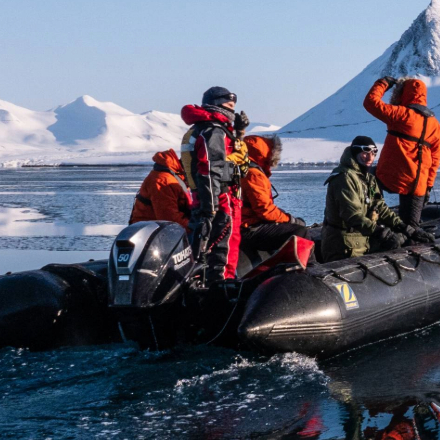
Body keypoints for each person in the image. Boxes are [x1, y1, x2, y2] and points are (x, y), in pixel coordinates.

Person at [320, 135, 431, 262]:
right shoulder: (344, 178)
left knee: (400, 239)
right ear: (355, 153)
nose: (370, 157)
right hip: (343, 245)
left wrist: (408, 229)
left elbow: (381, 208)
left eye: (373, 153)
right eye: (365, 153)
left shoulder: (368, 179)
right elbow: (352, 215)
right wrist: (383, 233)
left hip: (362, 240)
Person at [181, 86, 248, 289]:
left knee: (213, 242)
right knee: (222, 242)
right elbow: (210, 168)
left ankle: (213, 280)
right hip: (219, 197)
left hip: (211, 195)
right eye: (229, 106)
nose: (233, 111)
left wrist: (239, 132)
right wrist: (212, 206)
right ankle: (220, 284)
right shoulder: (213, 130)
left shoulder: (204, 128)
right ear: (217, 105)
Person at [364, 76, 440, 230]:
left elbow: (370, 102)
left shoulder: (400, 114)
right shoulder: (436, 126)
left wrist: (383, 83)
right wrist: (428, 186)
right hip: (417, 185)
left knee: (368, 176)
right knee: (411, 229)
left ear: (402, 93)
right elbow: (435, 159)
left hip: (389, 177)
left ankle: (374, 213)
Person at [238, 134, 315, 267]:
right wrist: (291, 220)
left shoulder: (245, 170)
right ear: (264, 153)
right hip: (249, 229)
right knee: (300, 231)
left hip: (245, 225)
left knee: (289, 225)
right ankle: (311, 269)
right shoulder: (253, 174)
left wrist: (285, 216)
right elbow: (265, 211)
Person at [128, 148, 191, 226]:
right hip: (148, 232)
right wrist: (195, 227)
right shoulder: (163, 181)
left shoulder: (177, 177)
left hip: (158, 230)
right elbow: (169, 219)